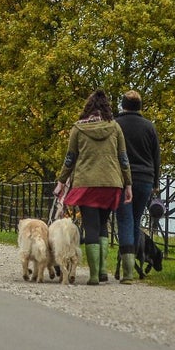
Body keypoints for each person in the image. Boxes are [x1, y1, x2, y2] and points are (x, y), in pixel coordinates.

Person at [53, 90, 133, 285]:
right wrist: (128, 183)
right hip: (111, 183)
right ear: (107, 107)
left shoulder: (78, 129)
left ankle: (94, 276)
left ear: (87, 107)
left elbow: (70, 158)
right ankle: (103, 271)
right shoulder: (115, 127)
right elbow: (123, 157)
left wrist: (61, 181)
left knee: (91, 226)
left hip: (86, 182)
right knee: (103, 224)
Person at [115, 90, 161, 284]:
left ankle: (127, 270)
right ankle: (131, 265)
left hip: (121, 179)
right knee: (135, 220)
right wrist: (155, 182)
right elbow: (156, 156)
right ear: (140, 107)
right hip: (145, 179)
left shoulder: (116, 125)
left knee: (124, 219)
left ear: (123, 105)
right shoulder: (149, 127)